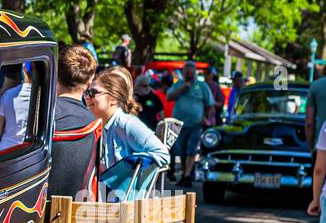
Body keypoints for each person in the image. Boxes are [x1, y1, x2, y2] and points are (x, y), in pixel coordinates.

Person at [88, 67, 169, 198]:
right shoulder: (100, 124)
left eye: (93, 92)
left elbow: (162, 154)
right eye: (87, 92)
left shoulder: (127, 124)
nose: (87, 97)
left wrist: (130, 165)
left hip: (129, 204)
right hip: (108, 199)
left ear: (113, 99)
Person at [49, 44, 101, 199]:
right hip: (75, 208)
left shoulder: (41, 114)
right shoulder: (95, 124)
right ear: (89, 82)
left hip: (35, 207)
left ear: (57, 74)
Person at [165, 61, 213, 184]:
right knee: (181, 151)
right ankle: (185, 173)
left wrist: (207, 119)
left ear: (195, 73)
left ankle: (186, 175)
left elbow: (209, 105)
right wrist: (182, 87)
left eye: (191, 73)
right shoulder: (178, 84)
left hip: (196, 124)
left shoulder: (202, 86)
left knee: (191, 149)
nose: (189, 75)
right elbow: (169, 97)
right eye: (187, 73)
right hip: (179, 125)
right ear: (184, 73)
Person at [0, 62, 33, 152]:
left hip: (6, 150)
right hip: (29, 152)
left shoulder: (8, 95)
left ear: (24, 70)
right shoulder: (46, 97)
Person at [306, 65, 326, 160]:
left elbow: (309, 123)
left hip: (322, 147)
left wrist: (311, 147)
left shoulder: (316, 86)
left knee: (320, 174)